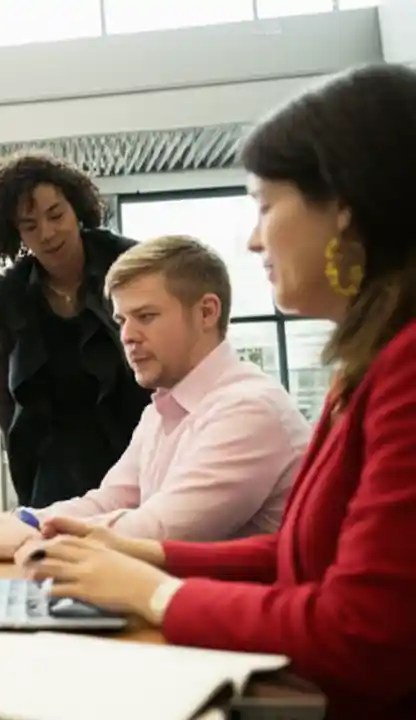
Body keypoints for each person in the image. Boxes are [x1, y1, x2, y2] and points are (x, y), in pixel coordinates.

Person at [25, 64, 416, 718]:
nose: (255, 238)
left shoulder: (402, 366)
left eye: (265, 206)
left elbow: (364, 633)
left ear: (345, 205)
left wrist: (155, 592)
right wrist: (141, 554)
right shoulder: (365, 364)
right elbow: (303, 554)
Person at [0, 236, 310, 562]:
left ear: (207, 313)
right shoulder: (161, 411)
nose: (128, 336)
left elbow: (160, 531)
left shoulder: (248, 409)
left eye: (146, 317)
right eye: (121, 320)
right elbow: (110, 500)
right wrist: (26, 519)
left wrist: (30, 536)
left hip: (241, 616)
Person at [0, 151, 150, 510]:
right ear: (16, 233)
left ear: (76, 208)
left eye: (56, 215)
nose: (48, 233)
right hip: (54, 466)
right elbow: (0, 396)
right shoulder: (7, 296)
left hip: (140, 449)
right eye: (30, 225)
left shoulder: (130, 263)